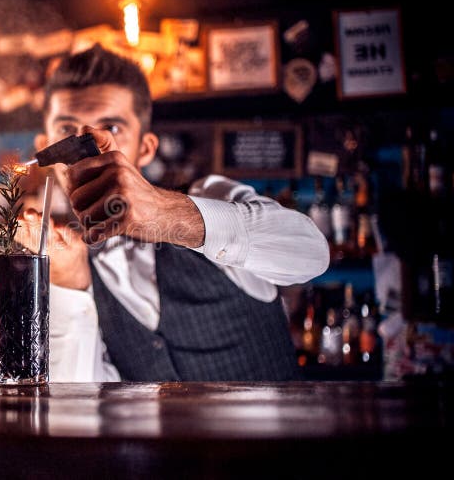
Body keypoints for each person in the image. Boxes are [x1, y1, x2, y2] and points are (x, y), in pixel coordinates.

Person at [16, 44, 330, 382]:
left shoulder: (211, 196)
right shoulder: (68, 265)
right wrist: (69, 286)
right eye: (66, 130)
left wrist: (169, 216)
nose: (85, 149)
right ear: (45, 145)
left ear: (147, 147)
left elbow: (312, 253)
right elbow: (74, 414)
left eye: (112, 127)